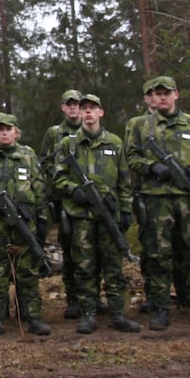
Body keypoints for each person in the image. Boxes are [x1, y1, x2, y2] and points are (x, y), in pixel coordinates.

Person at [125, 76, 190, 330]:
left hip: (189, 200)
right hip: (157, 200)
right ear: (152, 98)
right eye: (157, 93)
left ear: (176, 94)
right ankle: (160, 308)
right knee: (158, 256)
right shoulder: (141, 126)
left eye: (167, 93)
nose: (162, 97)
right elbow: (131, 157)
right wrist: (152, 166)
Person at [51, 95, 142, 334]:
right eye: (84, 109)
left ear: (101, 113)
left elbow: (124, 182)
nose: (88, 112)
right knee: (85, 267)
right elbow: (57, 178)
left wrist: (125, 211)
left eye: (93, 108)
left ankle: (117, 314)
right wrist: (75, 191)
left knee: (113, 266)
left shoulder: (114, 142)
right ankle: (88, 313)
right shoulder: (68, 145)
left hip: (109, 216)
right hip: (81, 217)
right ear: (79, 114)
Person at [0, 112, 51, 338]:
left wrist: (42, 219)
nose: (4, 132)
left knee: (28, 272)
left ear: (16, 132)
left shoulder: (28, 155)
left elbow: (40, 189)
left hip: (25, 226)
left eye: (9, 128)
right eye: (0, 128)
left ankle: (32, 315)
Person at [38, 89, 83, 319]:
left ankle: (92, 298)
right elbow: (44, 161)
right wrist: (59, 179)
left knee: (93, 252)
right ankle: (73, 298)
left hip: (89, 200)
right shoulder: (54, 133)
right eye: (69, 104)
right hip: (63, 199)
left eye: (77, 103)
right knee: (69, 248)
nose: (74, 107)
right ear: (63, 108)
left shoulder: (91, 132)